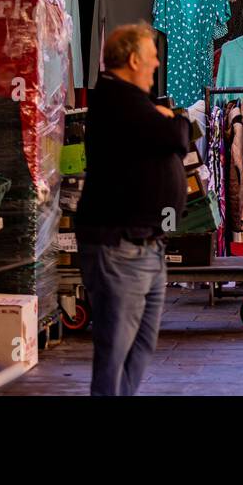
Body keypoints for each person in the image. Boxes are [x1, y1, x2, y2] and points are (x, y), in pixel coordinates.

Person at [75, 23, 190, 396]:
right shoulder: (118, 99)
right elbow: (177, 138)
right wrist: (179, 119)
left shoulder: (132, 102)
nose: (157, 62)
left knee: (140, 344)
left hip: (144, 245)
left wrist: (167, 117)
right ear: (134, 58)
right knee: (115, 350)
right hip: (120, 246)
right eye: (152, 55)